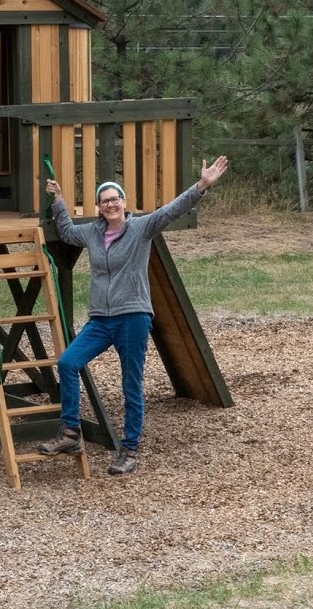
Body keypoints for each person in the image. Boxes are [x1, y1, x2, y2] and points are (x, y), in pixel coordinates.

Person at [38, 156, 230, 475]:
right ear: (99, 207)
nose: (110, 205)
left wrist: (202, 186)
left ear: (124, 203)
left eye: (115, 199)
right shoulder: (92, 234)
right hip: (100, 319)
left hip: (133, 316)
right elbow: (67, 231)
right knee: (68, 363)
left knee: (131, 383)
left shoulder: (141, 228)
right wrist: (58, 200)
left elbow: (172, 210)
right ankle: (70, 432)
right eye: (104, 201)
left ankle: (128, 449)